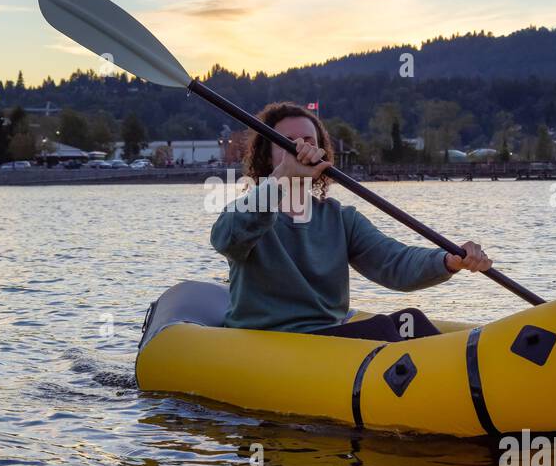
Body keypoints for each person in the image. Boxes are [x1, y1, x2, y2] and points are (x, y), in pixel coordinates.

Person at [210, 102, 492, 341]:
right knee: (383, 328)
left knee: (411, 321)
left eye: (309, 141)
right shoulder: (250, 213)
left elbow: (394, 263)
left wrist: (448, 261)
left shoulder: (341, 218)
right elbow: (226, 239)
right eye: (288, 142)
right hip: (264, 340)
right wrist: (282, 176)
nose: (300, 148)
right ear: (266, 155)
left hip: (327, 338)